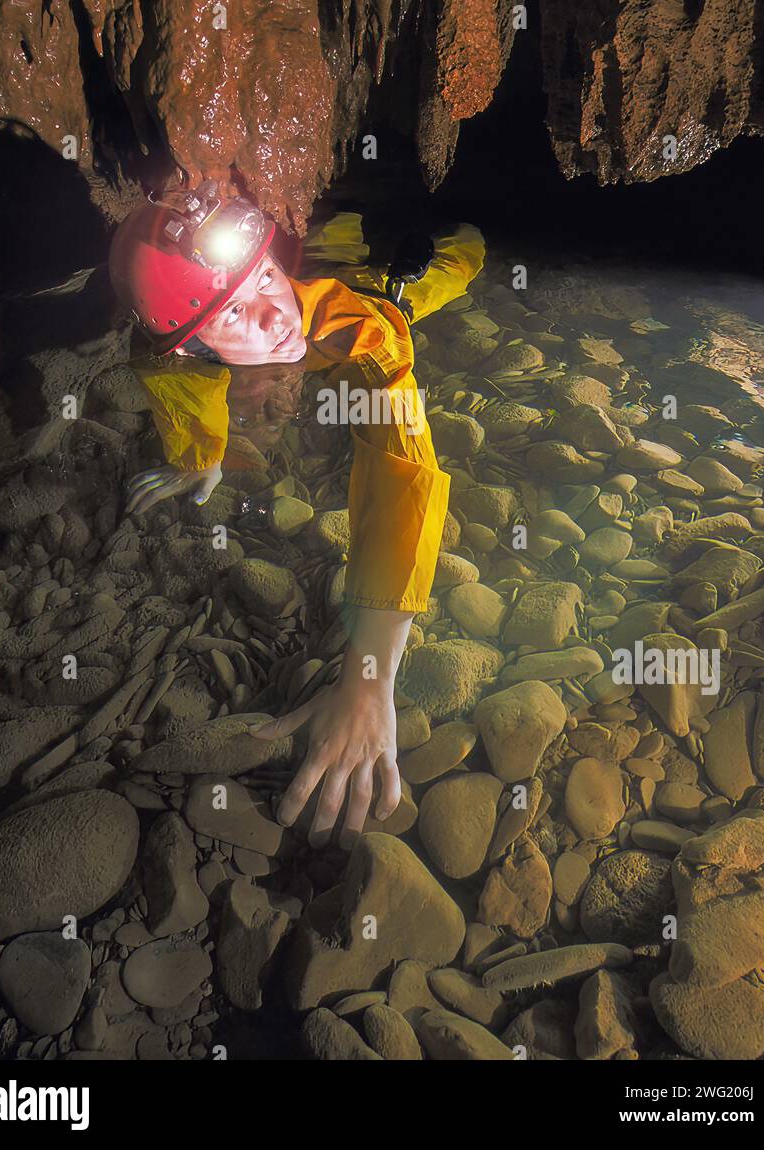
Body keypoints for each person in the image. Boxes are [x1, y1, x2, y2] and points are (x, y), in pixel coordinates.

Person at [108, 183, 485, 849]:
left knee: (455, 266)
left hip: (353, 296)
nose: (269, 313)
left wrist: (370, 679)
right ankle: (338, 219)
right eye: (231, 317)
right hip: (292, 287)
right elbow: (175, 380)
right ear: (193, 346)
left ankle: (455, 227)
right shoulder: (168, 353)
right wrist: (200, 458)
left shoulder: (361, 331)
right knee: (329, 242)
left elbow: (402, 477)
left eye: (264, 277)